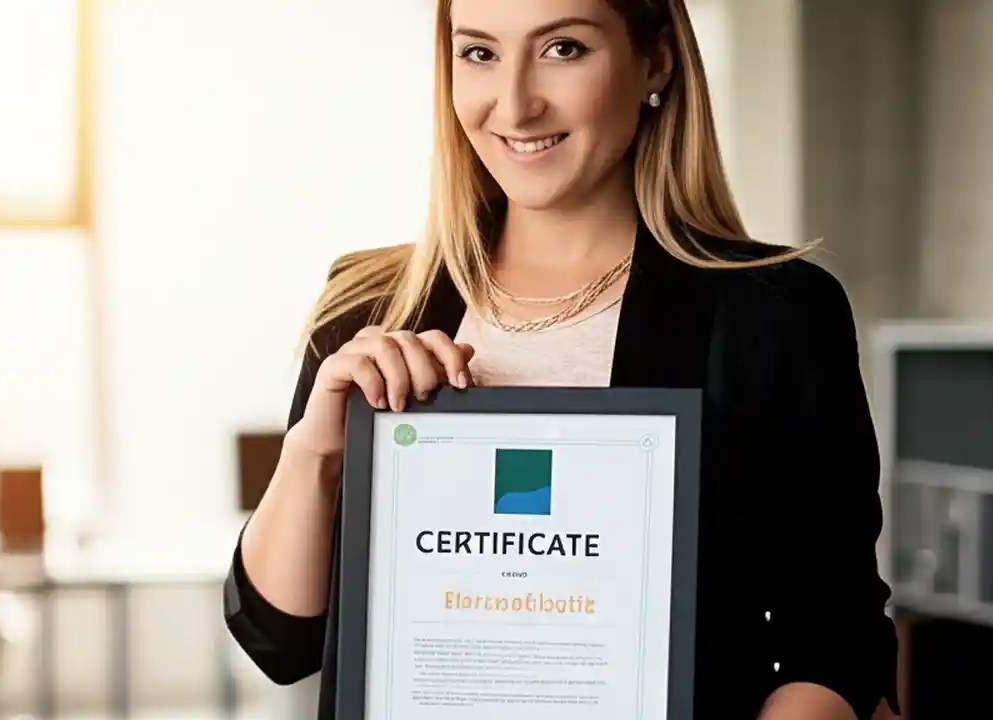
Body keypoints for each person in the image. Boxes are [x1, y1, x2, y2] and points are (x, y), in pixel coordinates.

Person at [223, 0, 900, 717]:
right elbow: (279, 643)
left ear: (656, 61)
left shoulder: (773, 312)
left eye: (563, 50)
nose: (514, 105)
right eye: (479, 53)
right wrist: (316, 453)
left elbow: (834, 644)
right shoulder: (367, 307)